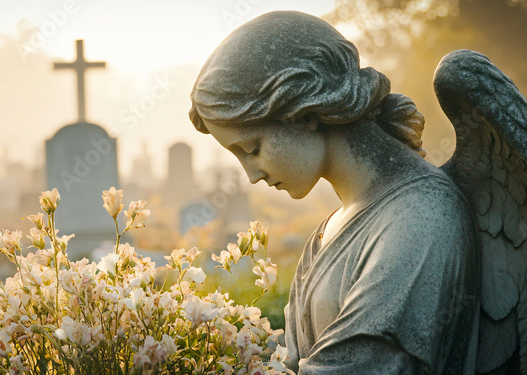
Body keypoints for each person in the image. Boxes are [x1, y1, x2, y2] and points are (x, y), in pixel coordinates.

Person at [189, 11, 480, 374]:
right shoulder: (327, 232)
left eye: (252, 148)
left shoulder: (422, 213)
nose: (251, 175)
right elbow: (291, 364)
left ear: (305, 113)